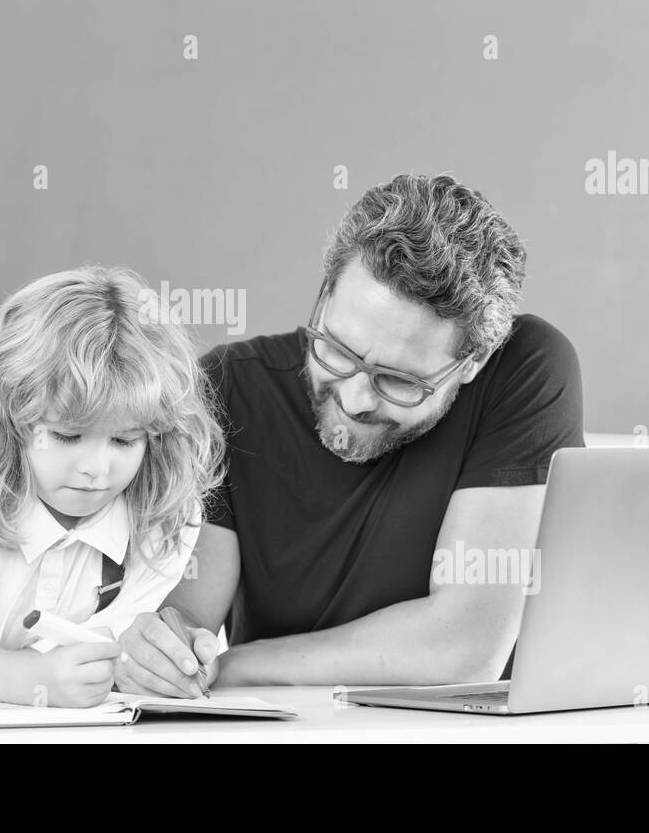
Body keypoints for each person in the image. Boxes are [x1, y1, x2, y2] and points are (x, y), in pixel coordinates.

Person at [114, 173, 585, 696]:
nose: (356, 399)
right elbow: (191, 622)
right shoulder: (230, 386)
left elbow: (465, 645)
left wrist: (237, 665)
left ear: (471, 363)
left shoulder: (526, 369)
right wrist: (161, 653)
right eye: (338, 349)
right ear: (324, 298)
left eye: (400, 380)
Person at [0, 266, 224, 707]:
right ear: (11, 413)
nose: (96, 468)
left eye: (125, 440)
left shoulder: (164, 519)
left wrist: (161, 660)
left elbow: (119, 653)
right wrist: (36, 681)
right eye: (67, 436)